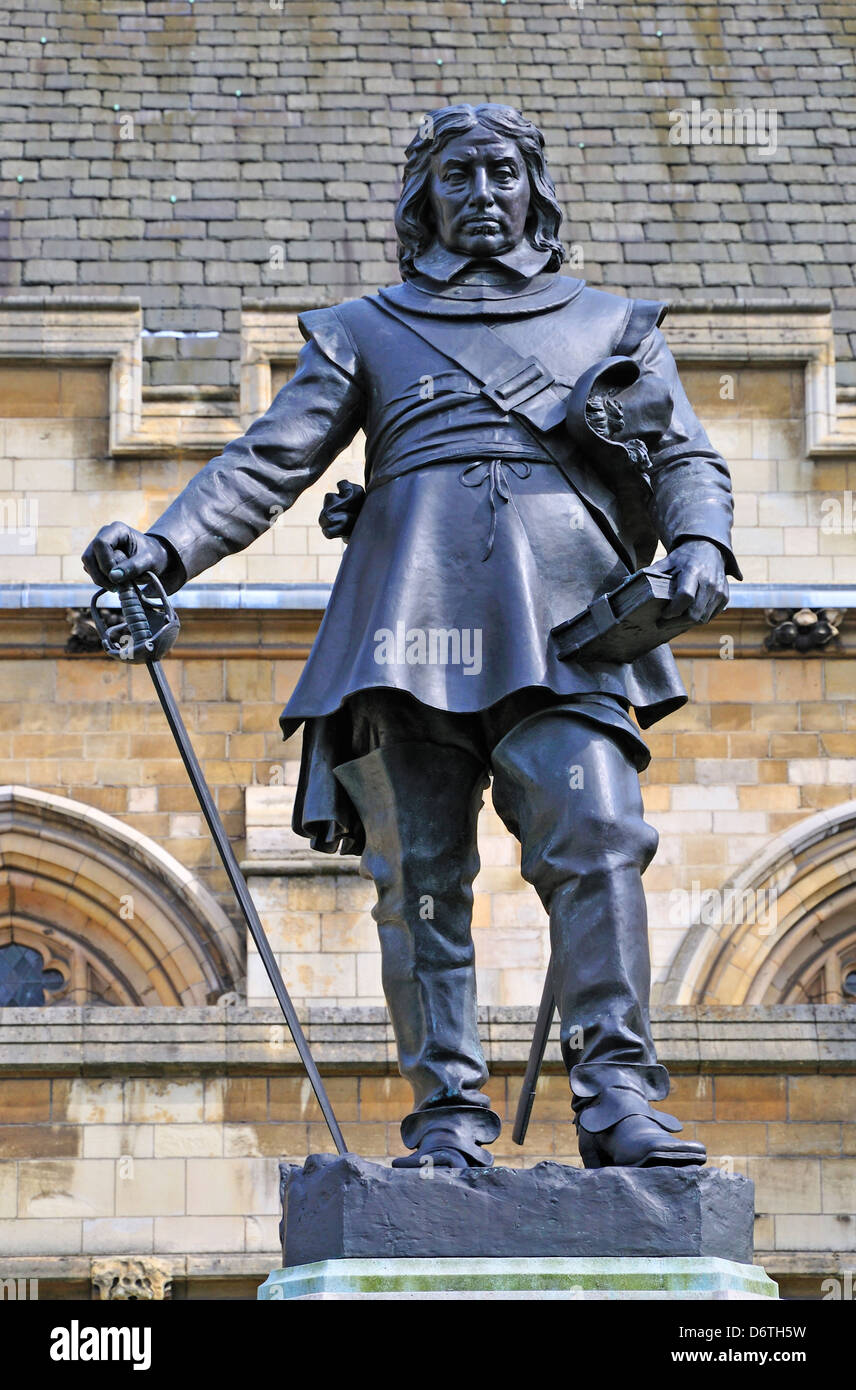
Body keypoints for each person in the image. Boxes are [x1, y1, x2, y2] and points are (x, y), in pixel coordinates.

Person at [83, 104, 741, 1171]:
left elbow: (683, 457)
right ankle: (445, 1113)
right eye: (457, 178)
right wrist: (163, 550)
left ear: (532, 189)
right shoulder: (365, 327)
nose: (481, 195)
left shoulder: (613, 324)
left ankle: (617, 1094)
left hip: (569, 622)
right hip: (404, 625)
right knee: (419, 877)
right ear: (424, 200)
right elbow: (266, 463)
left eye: (500, 174)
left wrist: (703, 541)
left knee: (599, 836)